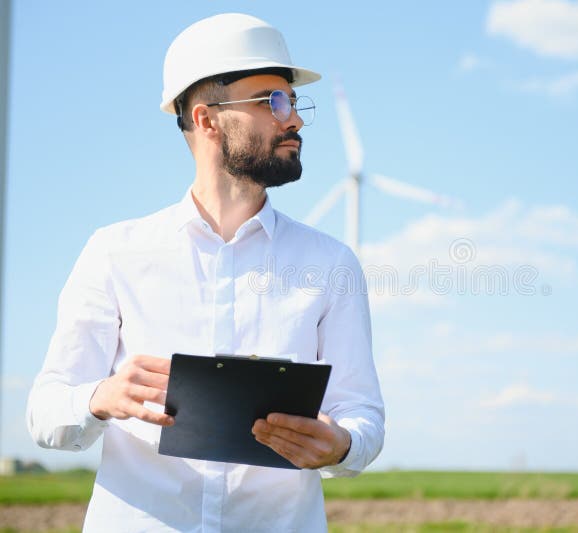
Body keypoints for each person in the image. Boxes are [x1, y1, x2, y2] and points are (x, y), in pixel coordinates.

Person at [26, 13, 384, 532]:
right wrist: (99, 397)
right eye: (273, 101)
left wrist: (342, 444)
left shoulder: (332, 265)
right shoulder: (113, 253)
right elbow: (44, 412)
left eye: (294, 101)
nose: (296, 120)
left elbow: (363, 416)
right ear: (207, 119)